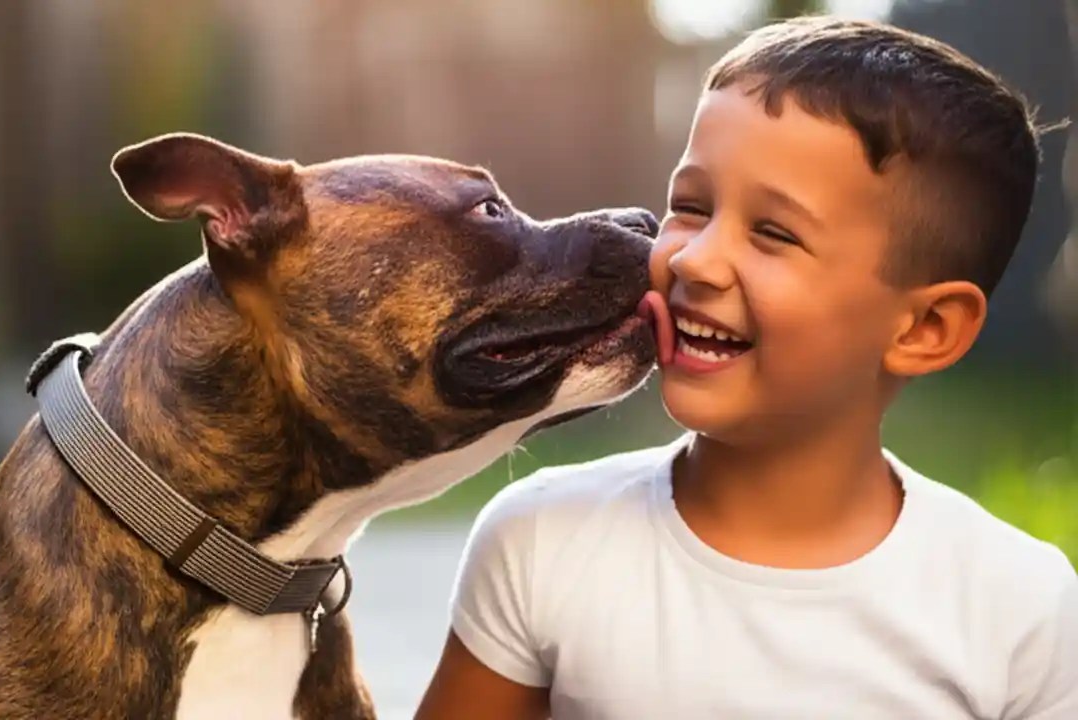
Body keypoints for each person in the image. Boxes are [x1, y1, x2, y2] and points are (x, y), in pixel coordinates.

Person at [415, 16, 1078, 720]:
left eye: (773, 233)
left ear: (924, 329)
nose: (695, 259)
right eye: (690, 206)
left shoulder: (1020, 609)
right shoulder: (541, 539)